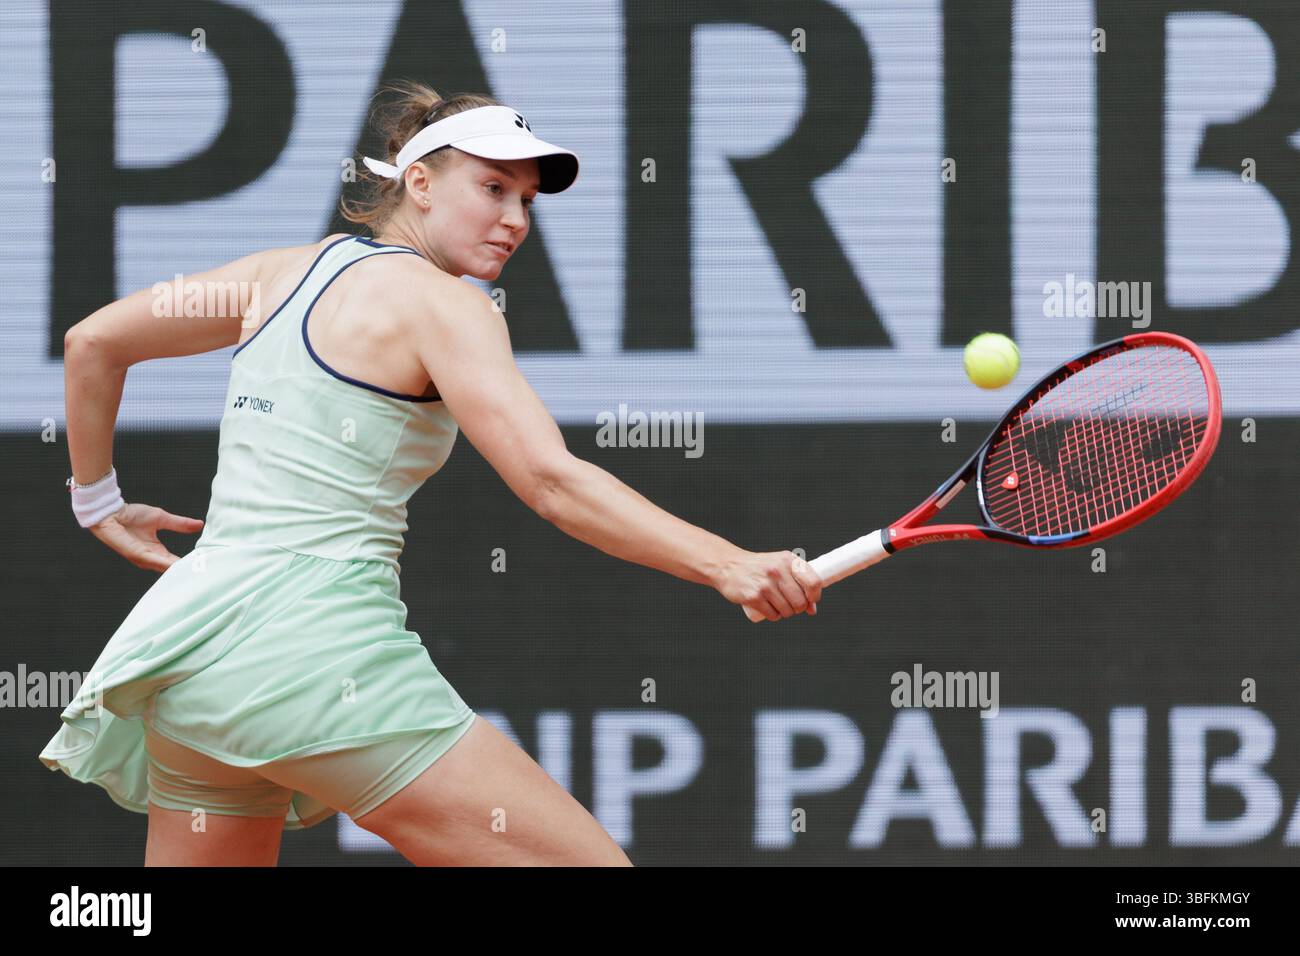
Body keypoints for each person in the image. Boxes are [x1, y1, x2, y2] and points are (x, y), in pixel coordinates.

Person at [40, 81, 823, 867]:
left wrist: (97, 499)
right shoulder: (448, 306)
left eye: (526, 200)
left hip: (190, 655)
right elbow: (551, 482)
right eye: (491, 188)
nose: (515, 219)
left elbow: (92, 344)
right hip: (313, 656)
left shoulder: (276, 274)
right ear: (418, 181)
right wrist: (729, 565)